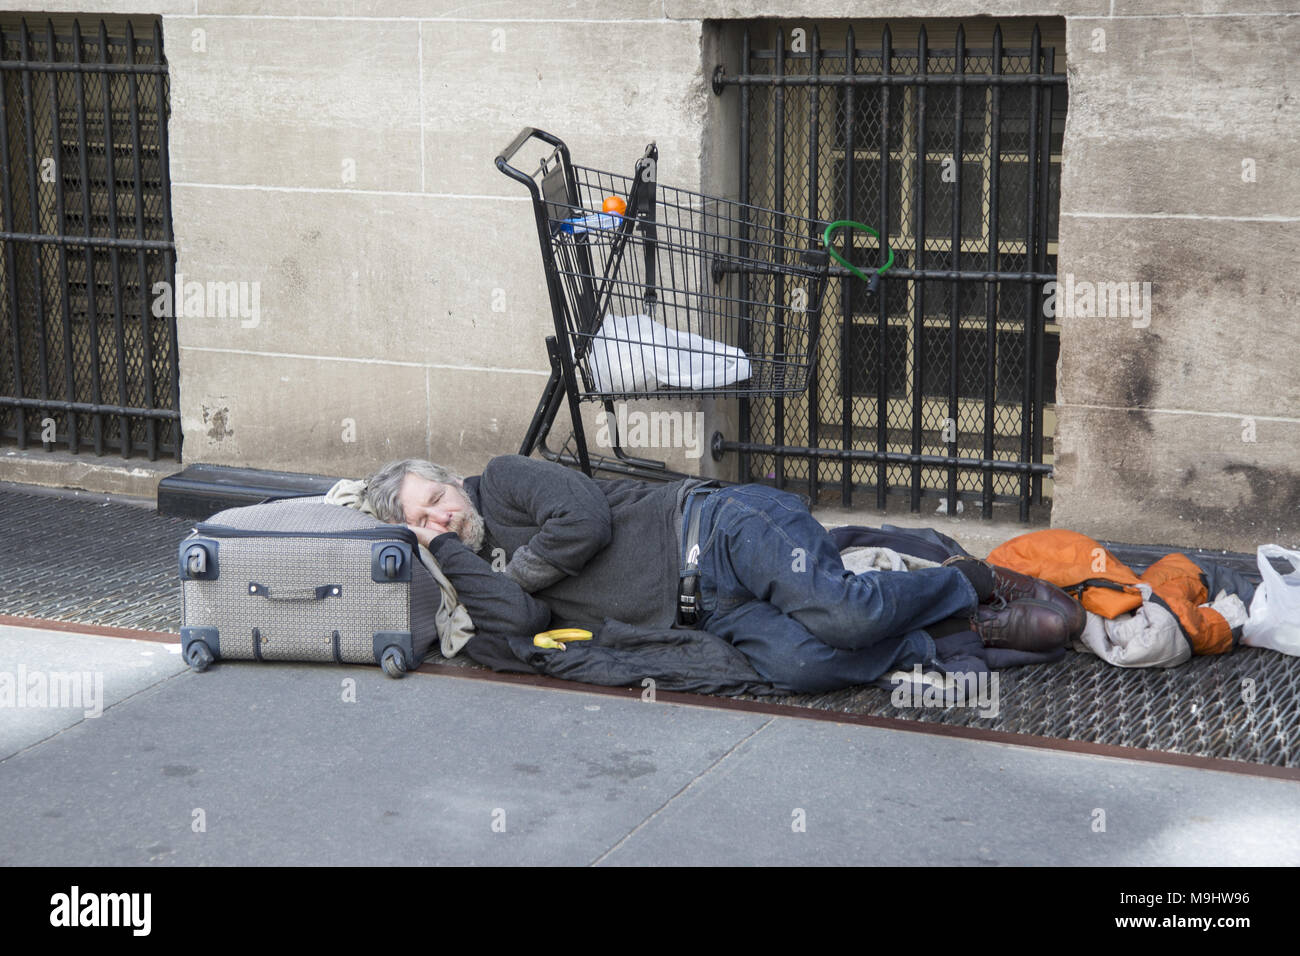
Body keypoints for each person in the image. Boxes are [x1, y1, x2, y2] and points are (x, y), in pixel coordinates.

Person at [363, 454, 1081, 694]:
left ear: (449, 481)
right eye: (422, 523)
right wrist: (448, 555)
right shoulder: (468, 571)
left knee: (846, 614)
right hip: (705, 611)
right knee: (797, 665)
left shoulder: (503, 479)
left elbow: (583, 520)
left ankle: (967, 582)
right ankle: (950, 629)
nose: (442, 519)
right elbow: (518, 623)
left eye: (437, 500)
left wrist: (507, 566)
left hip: (721, 528)